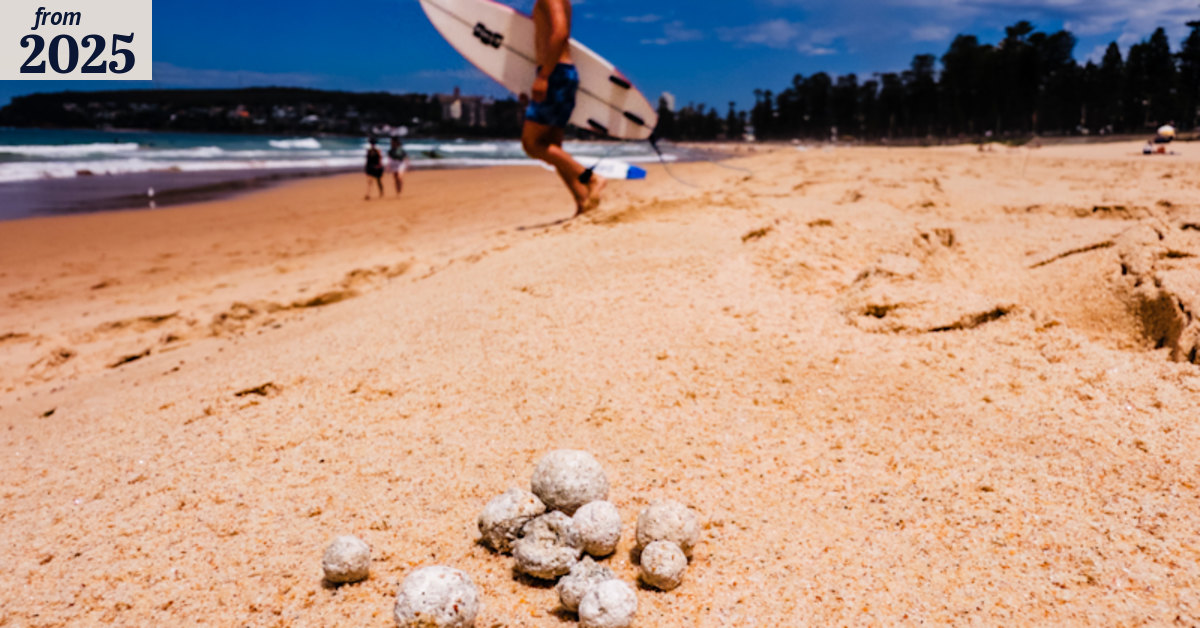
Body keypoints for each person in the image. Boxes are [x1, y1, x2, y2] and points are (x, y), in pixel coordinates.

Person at [521, 0, 604, 216]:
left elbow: (560, 33)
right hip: (559, 74)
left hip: (555, 74)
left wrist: (543, 77)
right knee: (552, 145)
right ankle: (583, 202)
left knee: (532, 144)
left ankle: (592, 178)